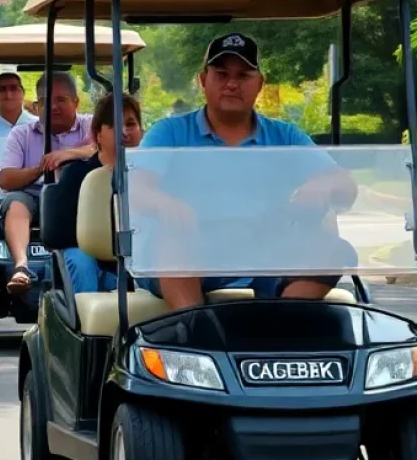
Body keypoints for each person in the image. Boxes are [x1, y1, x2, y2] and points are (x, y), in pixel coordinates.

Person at [137, 33, 358, 310]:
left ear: (259, 84)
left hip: (262, 252)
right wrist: (165, 204)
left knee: (332, 251)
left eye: (243, 75)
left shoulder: (284, 135)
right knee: (174, 242)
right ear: (203, 80)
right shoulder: (169, 132)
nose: (231, 84)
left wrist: (325, 185)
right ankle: (196, 333)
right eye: (221, 74)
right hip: (188, 247)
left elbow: (345, 184)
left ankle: (275, 328)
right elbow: (136, 186)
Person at [0, 71, 95, 293]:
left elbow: (104, 146)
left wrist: (69, 154)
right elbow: (6, 178)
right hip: (35, 198)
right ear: (36, 105)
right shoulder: (21, 134)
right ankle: (22, 266)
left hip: (78, 200)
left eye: (60, 100)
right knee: (16, 201)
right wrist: (41, 167)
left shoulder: (91, 125)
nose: (52, 107)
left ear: (76, 102)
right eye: (45, 101)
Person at [59, 92, 144, 293]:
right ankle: (88, 324)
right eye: (115, 126)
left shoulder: (153, 175)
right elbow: (64, 235)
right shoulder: (76, 174)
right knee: (80, 261)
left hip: (139, 262)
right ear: (98, 134)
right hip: (92, 263)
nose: (125, 132)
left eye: (131, 124)